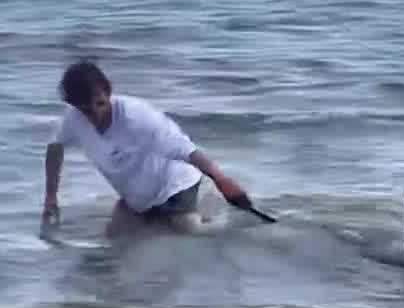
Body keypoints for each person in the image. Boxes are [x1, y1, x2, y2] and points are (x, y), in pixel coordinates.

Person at [42, 60, 252, 237]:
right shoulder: (73, 118)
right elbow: (55, 148)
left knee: (190, 232)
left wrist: (222, 180)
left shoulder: (137, 116)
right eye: (86, 110)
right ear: (75, 105)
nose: (95, 115)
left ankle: (242, 227)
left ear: (109, 92)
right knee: (113, 238)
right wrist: (51, 197)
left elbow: (185, 148)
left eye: (100, 104)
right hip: (138, 200)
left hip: (174, 187)